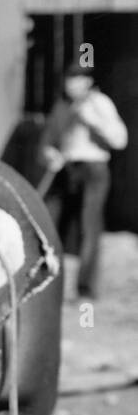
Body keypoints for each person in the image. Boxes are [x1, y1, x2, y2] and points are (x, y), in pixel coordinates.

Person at [40, 61, 129, 298]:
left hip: (93, 169)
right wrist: (51, 154)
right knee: (51, 221)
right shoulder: (61, 106)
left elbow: (120, 140)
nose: (71, 85)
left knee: (89, 227)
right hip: (67, 169)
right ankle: (50, 284)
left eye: (76, 80)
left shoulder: (100, 104)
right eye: (68, 80)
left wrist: (92, 121)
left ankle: (86, 289)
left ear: (88, 82)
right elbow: (48, 142)